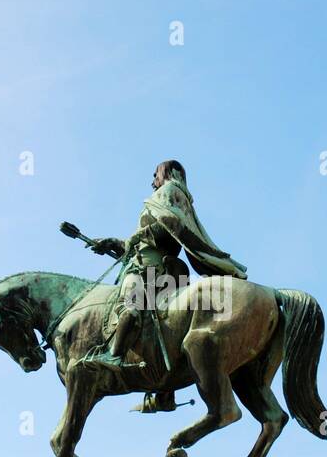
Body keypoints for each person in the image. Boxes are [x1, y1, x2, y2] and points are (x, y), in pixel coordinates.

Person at [81, 160, 246, 401]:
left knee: (129, 305)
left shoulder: (168, 192)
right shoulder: (176, 196)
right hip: (157, 265)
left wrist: (132, 239)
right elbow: (152, 235)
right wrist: (113, 243)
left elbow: (167, 227)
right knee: (159, 325)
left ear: (166, 173)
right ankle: (163, 392)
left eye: (155, 175)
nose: (152, 181)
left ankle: (113, 356)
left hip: (151, 267)